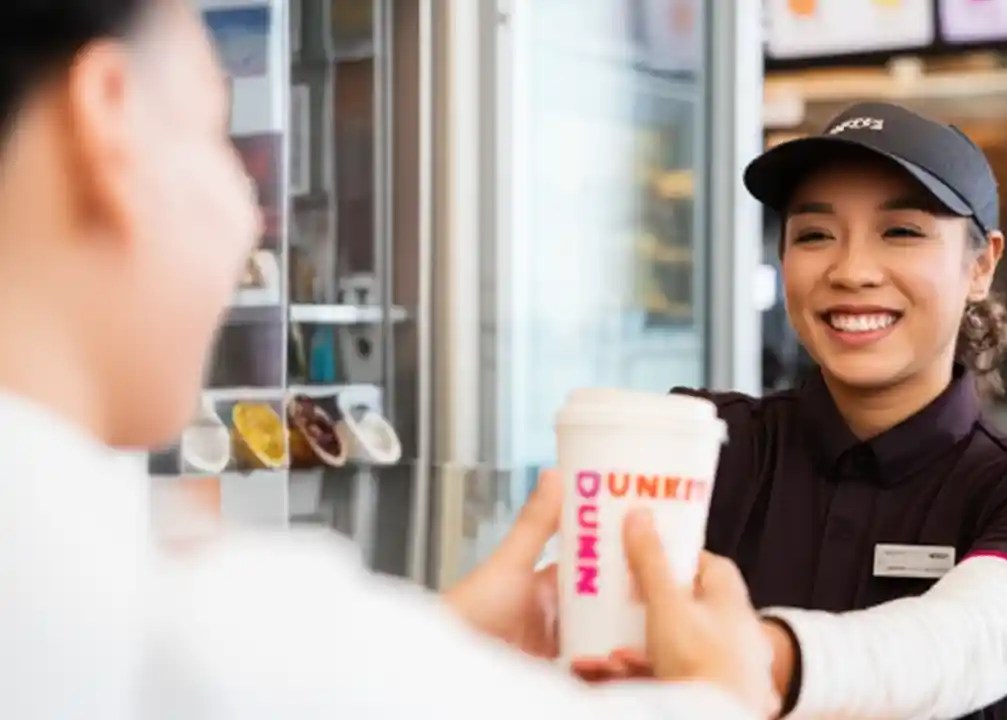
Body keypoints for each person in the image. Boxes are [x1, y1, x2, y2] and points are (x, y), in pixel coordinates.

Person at [0, 1, 777, 718]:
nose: (247, 220)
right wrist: (725, 689)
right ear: (110, 116)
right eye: (216, 134)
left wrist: (442, 651)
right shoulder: (185, 631)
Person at [574, 102, 1007, 719]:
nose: (852, 271)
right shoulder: (699, 445)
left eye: (902, 232)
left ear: (981, 265)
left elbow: (976, 638)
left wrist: (761, 661)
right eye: (814, 235)